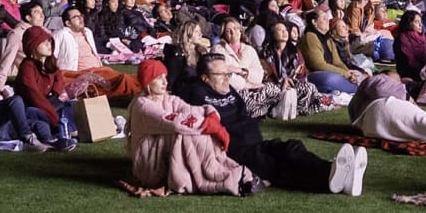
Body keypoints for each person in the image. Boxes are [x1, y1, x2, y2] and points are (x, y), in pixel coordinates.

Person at [183, 52, 364, 195]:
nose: (227, 78)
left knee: (291, 148)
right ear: (205, 78)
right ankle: (332, 177)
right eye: (221, 74)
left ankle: (336, 172)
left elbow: (244, 113)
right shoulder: (196, 94)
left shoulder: (229, 90)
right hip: (234, 152)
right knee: (279, 165)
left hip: (254, 143)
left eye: (228, 73)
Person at [127, 59, 259, 195]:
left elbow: (191, 109)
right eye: (159, 78)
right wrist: (208, 125)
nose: (165, 82)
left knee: (194, 126)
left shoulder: (167, 99)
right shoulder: (142, 105)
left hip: (164, 159)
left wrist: (211, 114)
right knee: (184, 133)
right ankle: (212, 178)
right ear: (148, 82)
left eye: (165, 77)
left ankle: (220, 173)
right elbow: (174, 122)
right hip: (149, 165)